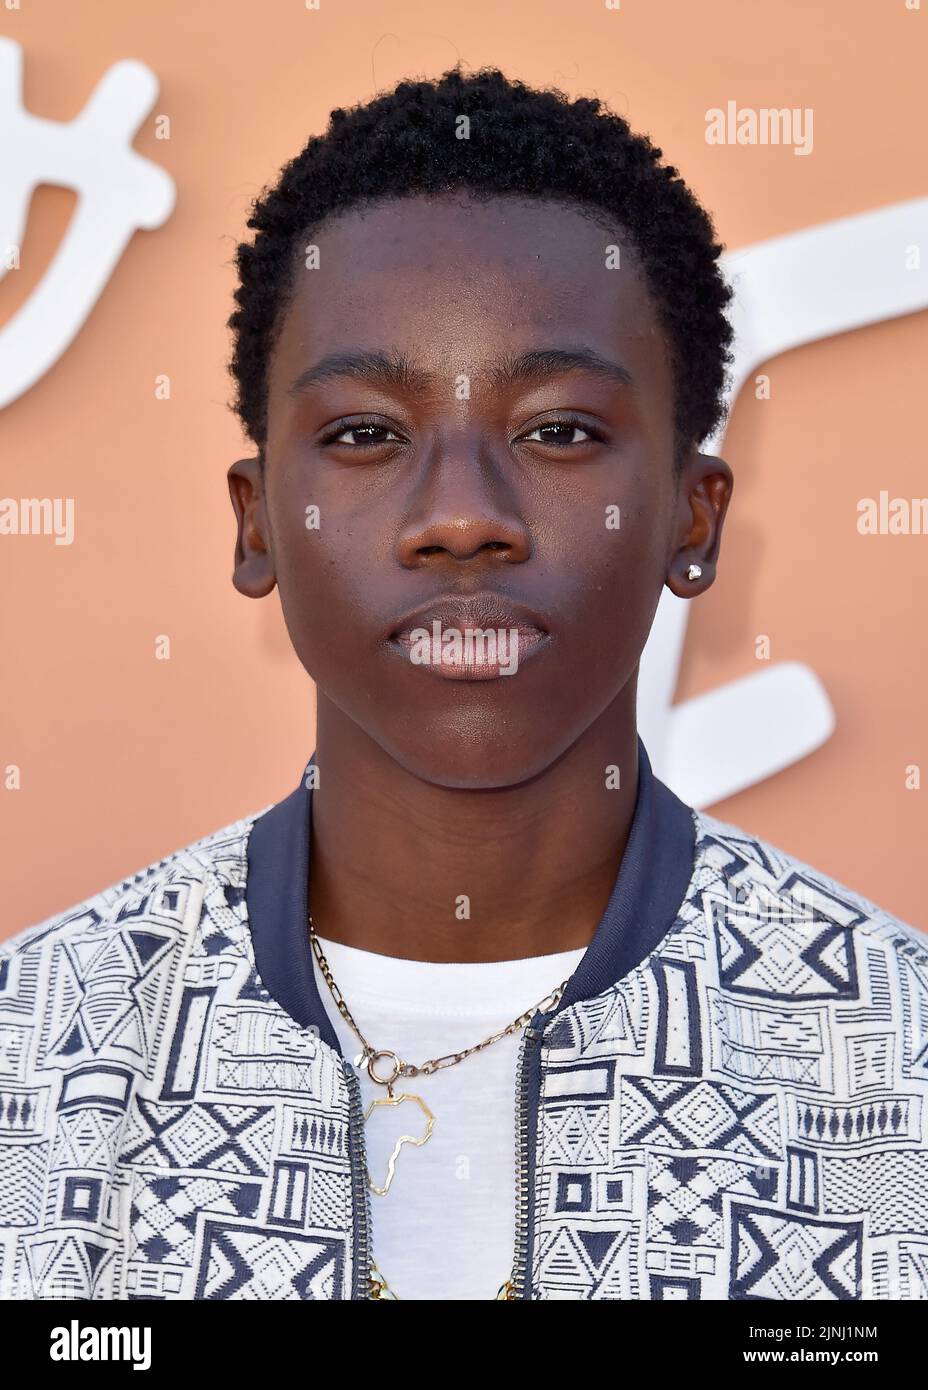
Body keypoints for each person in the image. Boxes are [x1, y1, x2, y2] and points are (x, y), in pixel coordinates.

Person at [2, 65, 925, 1303]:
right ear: (257, 520)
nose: (458, 520)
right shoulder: (37, 1052)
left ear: (691, 520)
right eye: (365, 434)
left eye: (555, 430)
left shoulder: (896, 1057)